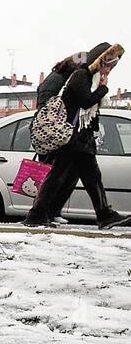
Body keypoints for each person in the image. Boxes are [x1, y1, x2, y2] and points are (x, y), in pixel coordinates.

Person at [26, 44, 128, 229]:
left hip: (81, 137)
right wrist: (103, 90)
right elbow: (85, 100)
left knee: (89, 176)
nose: (109, 70)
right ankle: (37, 215)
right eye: (108, 65)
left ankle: (103, 214)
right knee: (61, 175)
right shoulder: (81, 76)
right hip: (72, 137)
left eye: (112, 67)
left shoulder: (93, 79)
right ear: (99, 61)